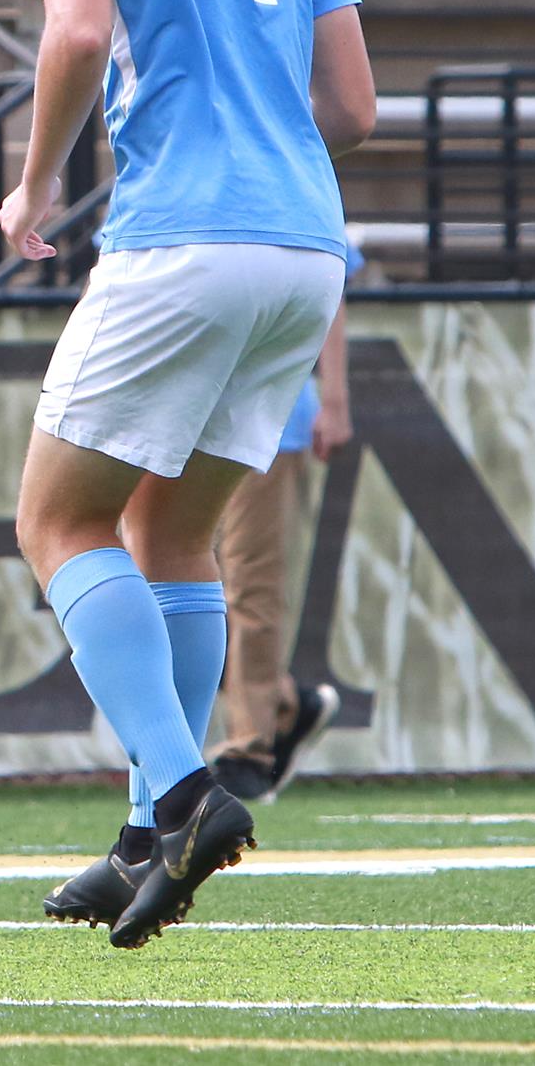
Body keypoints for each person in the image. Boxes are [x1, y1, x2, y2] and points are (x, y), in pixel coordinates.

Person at [0, 0, 375, 949]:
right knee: (169, 532)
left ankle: (181, 792)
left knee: (55, 522)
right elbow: (354, 110)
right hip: (303, 250)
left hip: (180, 239)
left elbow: (72, 32)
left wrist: (33, 185)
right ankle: (135, 834)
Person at [207, 249, 361, 805]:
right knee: (164, 584)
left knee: (250, 585)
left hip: (267, 418)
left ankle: (249, 747)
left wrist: (335, 395)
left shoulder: (290, 163)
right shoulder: (159, 167)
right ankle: (285, 704)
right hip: (174, 416)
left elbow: (328, 278)